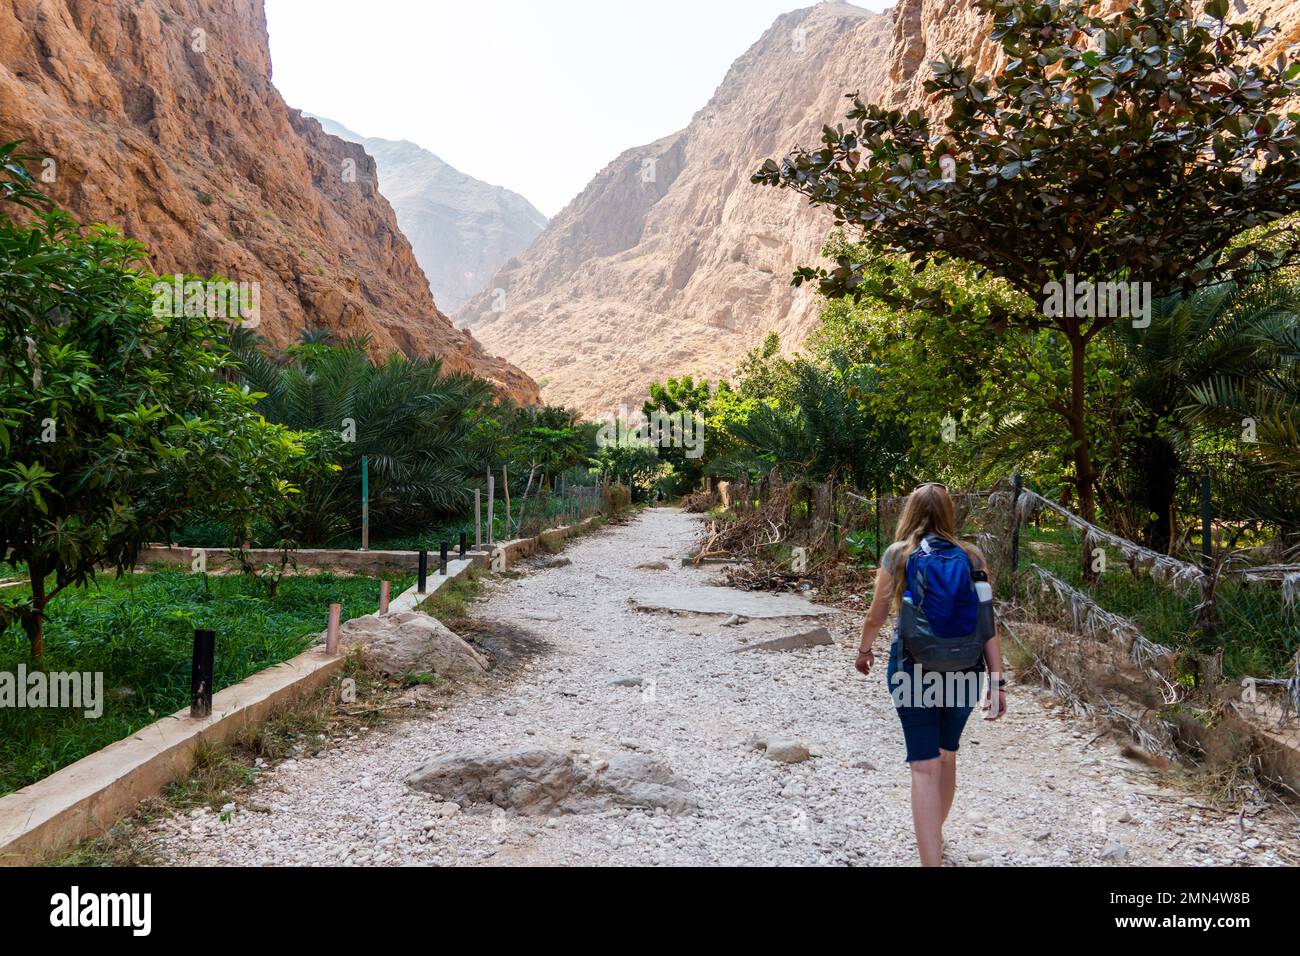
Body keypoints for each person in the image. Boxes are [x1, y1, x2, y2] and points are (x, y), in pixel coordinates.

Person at [854, 483, 1006, 867]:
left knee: (923, 766)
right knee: (947, 755)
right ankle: (932, 838)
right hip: (965, 671)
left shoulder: (898, 556)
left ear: (909, 512)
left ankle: (930, 858)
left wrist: (864, 649)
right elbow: (988, 624)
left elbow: (876, 615)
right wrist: (997, 680)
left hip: (913, 669)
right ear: (950, 513)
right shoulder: (972, 558)